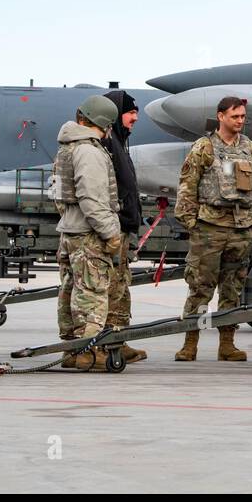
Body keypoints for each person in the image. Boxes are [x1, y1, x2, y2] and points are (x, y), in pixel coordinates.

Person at [173, 96, 252, 362]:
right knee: (201, 288)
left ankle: (227, 344)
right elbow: (187, 188)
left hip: (241, 229)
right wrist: (192, 224)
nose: (240, 121)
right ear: (221, 116)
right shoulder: (204, 148)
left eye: (243, 117)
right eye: (235, 116)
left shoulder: (251, 149)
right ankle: (190, 342)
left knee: (232, 289)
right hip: (209, 229)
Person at [53, 95, 123, 371]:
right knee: (93, 292)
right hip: (88, 234)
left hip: (69, 231)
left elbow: (58, 196)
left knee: (70, 290)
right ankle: (88, 352)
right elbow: (92, 199)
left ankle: (70, 348)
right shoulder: (89, 152)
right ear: (106, 124)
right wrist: (110, 233)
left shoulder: (66, 150)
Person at [102, 89, 147, 364]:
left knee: (121, 287)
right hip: (115, 228)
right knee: (114, 288)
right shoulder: (109, 144)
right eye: (131, 112)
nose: (135, 118)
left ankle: (119, 339)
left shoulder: (119, 142)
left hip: (124, 228)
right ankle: (111, 343)